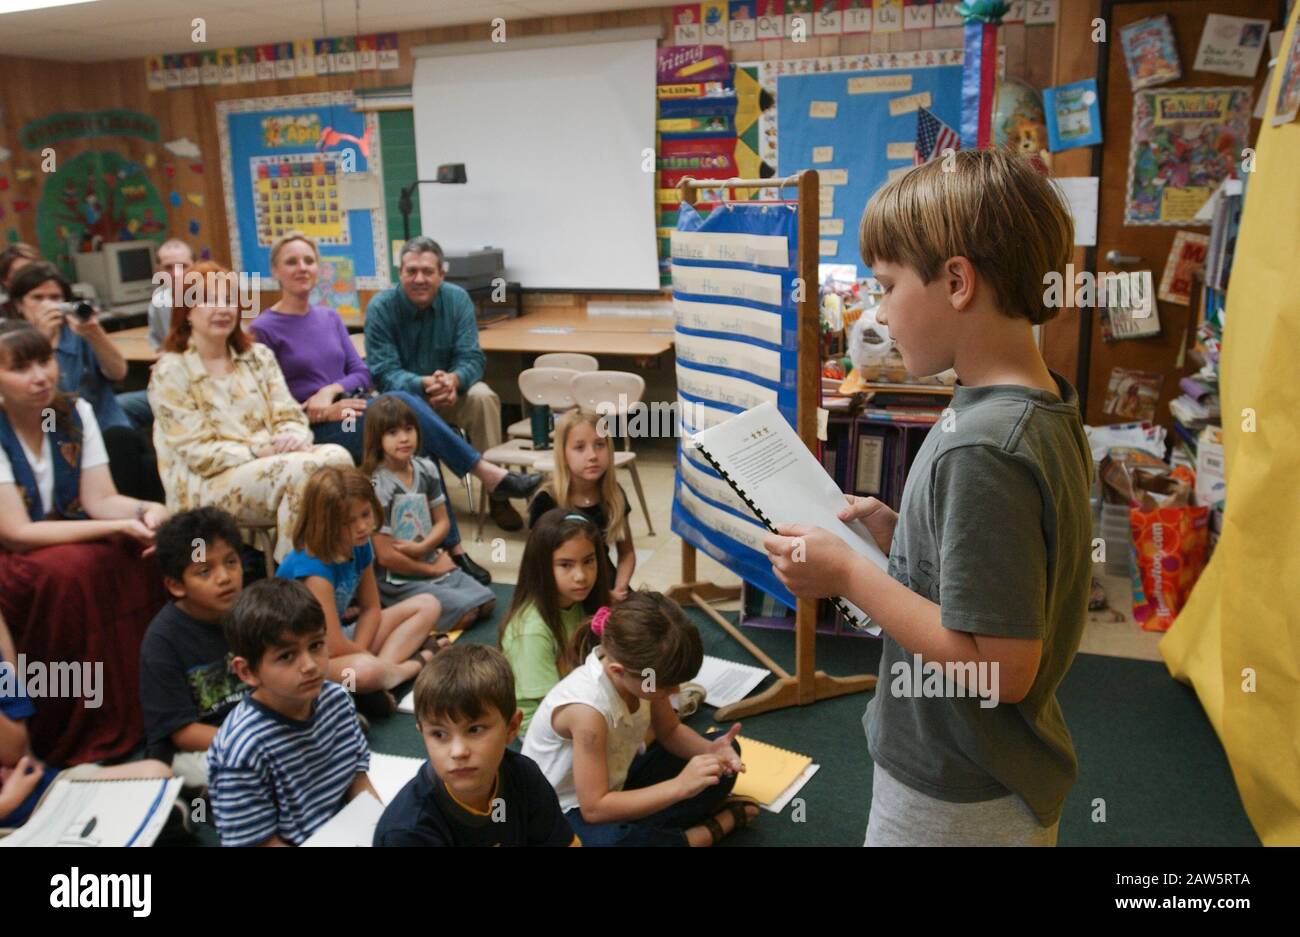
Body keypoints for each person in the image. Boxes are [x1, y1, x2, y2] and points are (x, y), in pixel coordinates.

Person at [762, 149, 1093, 847]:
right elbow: (1005, 575)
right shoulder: (1040, 404)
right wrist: (900, 538)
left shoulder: (984, 446)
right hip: (984, 771)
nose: (879, 313)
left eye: (885, 287)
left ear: (957, 281)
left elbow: (1001, 668)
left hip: (957, 789)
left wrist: (850, 573)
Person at [251, 231, 540, 583]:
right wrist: (319, 407)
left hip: (356, 411)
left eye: (308, 261)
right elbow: (265, 399)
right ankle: (487, 478)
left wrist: (332, 388)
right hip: (317, 427)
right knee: (405, 415)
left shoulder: (328, 318)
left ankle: (452, 550)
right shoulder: (262, 329)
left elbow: (360, 371)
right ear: (275, 271)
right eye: (291, 262)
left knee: (411, 438)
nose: (301, 268)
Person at [0, 320, 169, 765]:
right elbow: (16, 534)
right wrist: (115, 527)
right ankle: (72, 727)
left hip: (68, 535)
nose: (40, 376)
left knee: (147, 551)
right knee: (71, 572)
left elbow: (101, 499)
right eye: (21, 368)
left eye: (44, 361)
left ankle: (143, 709)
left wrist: (145, 512)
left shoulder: (73, 413)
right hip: (14, 555)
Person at [148, 261, 353, 562]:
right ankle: (296, 586)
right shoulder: (171, 371)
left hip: (273, 462)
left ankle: (336, 577)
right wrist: (262, 450)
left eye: (229, 300)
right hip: (209, 480)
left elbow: (291, 415)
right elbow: (199, 453)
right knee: (306, 473)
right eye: (208, 300)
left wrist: (290, 439)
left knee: (339, 458)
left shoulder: (258, 357)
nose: (223, 309)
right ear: (186, 311)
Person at [521, 590, 759, 846]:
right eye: (668, 686)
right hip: (568, 810)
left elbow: (670, 732)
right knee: (613, 842)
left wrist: (711, 749)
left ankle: (651, 831)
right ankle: (701, 835)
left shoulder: (646, 677)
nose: (675, 692)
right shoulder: (587, 712)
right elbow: (594, 809)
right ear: (617, 671)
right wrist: (680, 786)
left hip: (615, 780)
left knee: (720, 763)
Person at [364, 236, 525, 531]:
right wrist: (423, 384)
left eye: (427, 271)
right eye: (411, 271)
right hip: (402, 403)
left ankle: (497, 494)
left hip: (451, 393)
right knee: (402, 404)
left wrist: (455, 380)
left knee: (483, 396)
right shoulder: (380, 308)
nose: (419, 278)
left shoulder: (457, 300)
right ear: (399, 273)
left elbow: (472, 358)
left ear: (441, 274)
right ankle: (424, 500)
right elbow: (383, 372)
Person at [207, 579, 376, 847]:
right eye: (286, 656)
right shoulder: (241, 749)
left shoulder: (337, 700)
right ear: (246, 672)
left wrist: (379, 828)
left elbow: (357, 778)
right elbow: (259, 843)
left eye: (316, 645)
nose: (309, 666)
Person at [373, 644, 578, 847]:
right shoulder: (408, 833)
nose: (459, 751)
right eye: (439, 734)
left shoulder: (523, 777)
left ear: (512, 727)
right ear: (423, 733)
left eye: (475, 730)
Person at [275, 465, 439, 713]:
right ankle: (411, 667)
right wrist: (366, 661)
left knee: (428, 604)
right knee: (365, 670)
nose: (363, 526)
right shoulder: (313, 568)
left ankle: (377, 681)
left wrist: (363, 653)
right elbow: (333, 646)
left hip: (336, 641)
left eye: (366, 514)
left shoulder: (359, 543)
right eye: (349, 521)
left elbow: (371, 608)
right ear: (326, 523)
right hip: (302, 657)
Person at [1, 609, 173, 832]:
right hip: (8, 820)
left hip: (43, 791)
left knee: (157, 773)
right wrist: (7, 804)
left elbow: (14, 749)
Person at [6, 262, 163, 502]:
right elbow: (41, 402)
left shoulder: (78, 333)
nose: (48, 305)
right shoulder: (11, 346)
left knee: (127, 446)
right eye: (37, 298)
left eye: (55, 297)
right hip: (53, 434)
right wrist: (41, 340)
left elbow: (118, 373)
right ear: (18, 304)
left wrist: (94, 332)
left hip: (104, 428)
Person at [361, 396, 496, 632]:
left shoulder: (427, 469)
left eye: (409, 429)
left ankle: (435, 597)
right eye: (392, 432)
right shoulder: (377, 484)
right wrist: (432, 569)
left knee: (486, 602)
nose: (403, 438)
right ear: (377, 439)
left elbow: (442, 522)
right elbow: (384, 556)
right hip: (397, 577)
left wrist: (424, 549)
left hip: (430, 560)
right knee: (466, 614)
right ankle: (402, 609)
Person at [139, 507, 250, 790]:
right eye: (205, 571)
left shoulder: (250, 613)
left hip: (251, 726)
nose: (224, 577)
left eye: (231, 562)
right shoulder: (162, 640)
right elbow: (182, 733)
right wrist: (253, 740)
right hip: (193, 748)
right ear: (176, 585)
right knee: (228, 773)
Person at [499, 509, 610, 736]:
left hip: (578, 701)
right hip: (541, 726)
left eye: (588, 561)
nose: (581, 576)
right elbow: (554, 706)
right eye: (566, 565)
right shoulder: (531, 631)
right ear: (541, 566)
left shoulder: (578, 601)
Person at [528, 410, 635, 600]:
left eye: (600, 445)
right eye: (579, 448)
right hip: (562, 591)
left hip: (605, 584)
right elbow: (536, 563)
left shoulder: (614, 494)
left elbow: (627, 553)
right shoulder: (546, 500)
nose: (592, 455)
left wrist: (620, 589)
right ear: (563, 454)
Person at [117, 238, 195, 431]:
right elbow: (162, 347)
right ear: (159, 271)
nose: (176, 274)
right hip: (175, 386)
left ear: (196, 266)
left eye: (183, 266)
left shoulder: (214, 299)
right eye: (169, 268)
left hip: (208, 386)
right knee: (119, 406)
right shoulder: (159, 301)